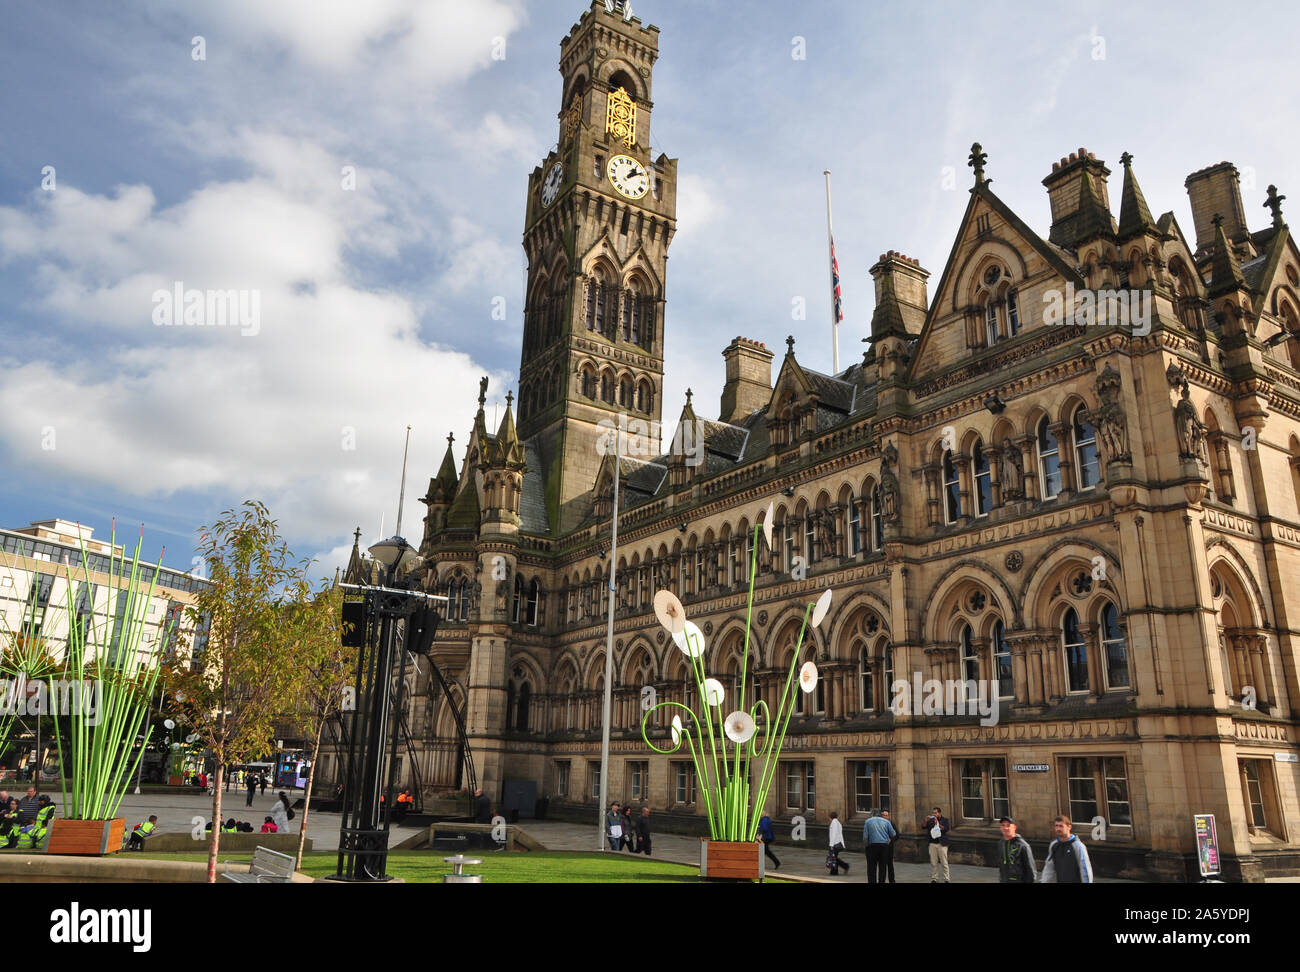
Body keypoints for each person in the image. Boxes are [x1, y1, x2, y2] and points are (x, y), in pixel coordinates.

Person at [1040, 814, 1093, 883]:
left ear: (1069, 827)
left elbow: (1085, 869)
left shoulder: (1078, 846)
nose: (1058, 829)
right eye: (1056, 826)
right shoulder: (1054, 845)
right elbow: (1049, 867)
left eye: (1061, 826)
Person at [997, 816, 1036, 883]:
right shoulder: (1001, 843)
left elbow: (1031, 869)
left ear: (1014, 828)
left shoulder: (1023, 845)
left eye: (1008, 825)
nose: (1005, 828)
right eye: (1003, 825)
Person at [862, 810, 897, 884]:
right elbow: (893, 834)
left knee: (871, 867)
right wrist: (888, 839)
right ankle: (881, 881)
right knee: (882, 867)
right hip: (884, 846)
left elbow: (865, 837)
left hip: (872, 846)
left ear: (872, 814)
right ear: (880, 815)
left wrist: (866, 846)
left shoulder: (868, 821)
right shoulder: (886, 822)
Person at [923, 805, 951, 883]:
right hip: (932, 844)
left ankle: (946, 879)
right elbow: (923, 827)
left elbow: (946, 829)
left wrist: (938, 824)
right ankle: (934, 878)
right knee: (933, 862)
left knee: (944, 862)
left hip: (942, 844)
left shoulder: (945, 820)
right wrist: (926, 820)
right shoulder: (930, 820)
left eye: (935, 813)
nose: (934, 814)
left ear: (939, 813)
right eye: (933, 813)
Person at [881, 810, 897, 883]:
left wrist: (891, 839)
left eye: (886, 815)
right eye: (884, 815)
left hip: (889, 847)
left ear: (889, 816)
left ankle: (892, 880)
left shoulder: (891, 824)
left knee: (890, 864)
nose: (885, 817)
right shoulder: (880, 824)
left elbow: (897, 835)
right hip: (882, 847)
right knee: (882, 865)